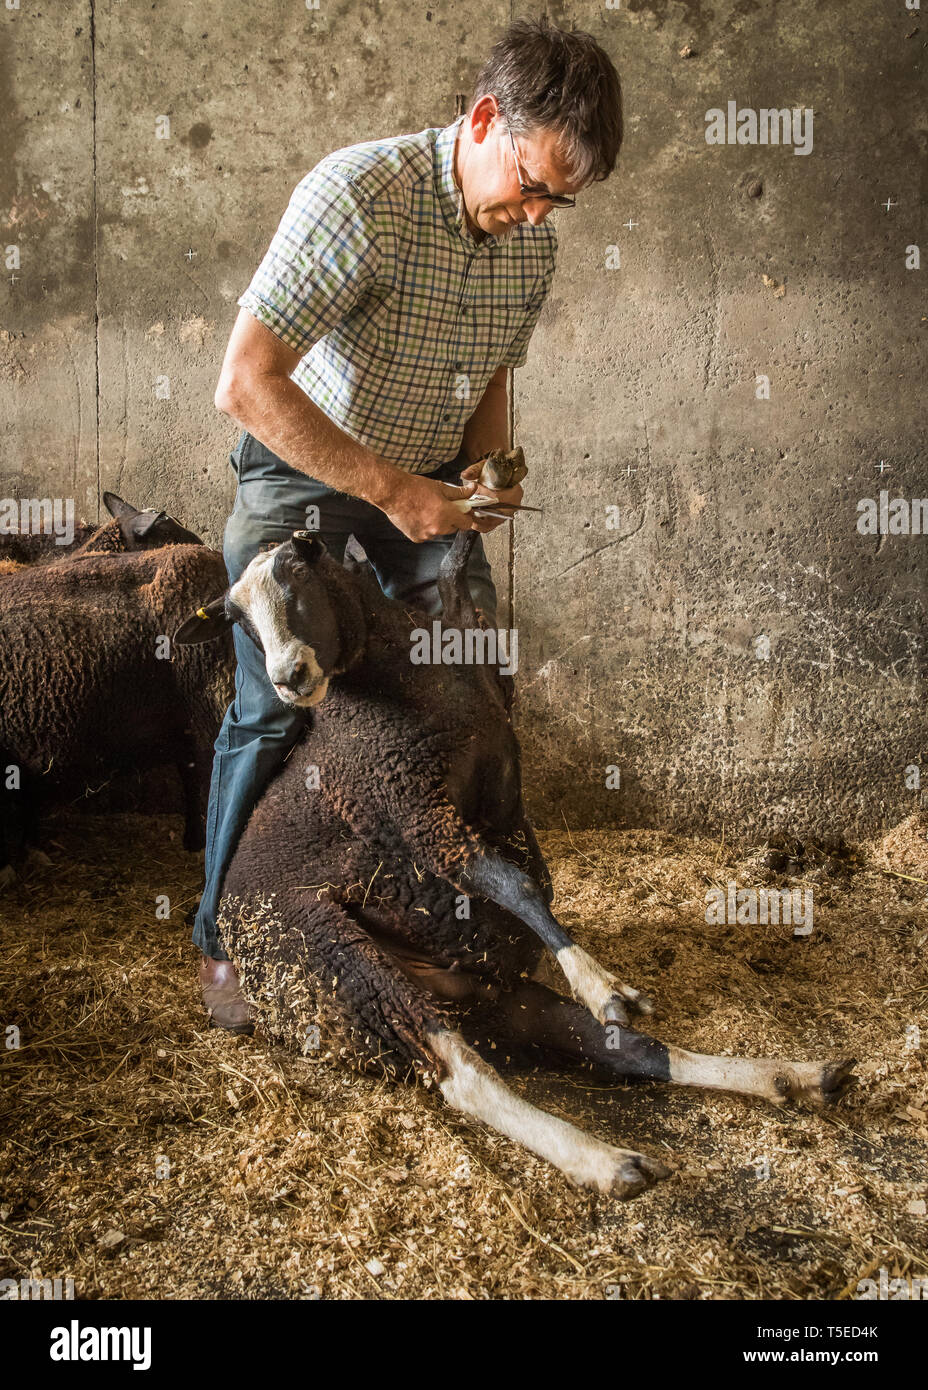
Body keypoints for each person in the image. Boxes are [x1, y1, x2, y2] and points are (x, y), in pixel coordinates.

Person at [195, 16, 624, 1029]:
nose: (541, 214)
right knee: (275, 704)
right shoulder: (358, 196)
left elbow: (488, 378)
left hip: (425, 486)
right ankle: (221, 940)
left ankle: (462, 923)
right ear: (484, 120)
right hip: (306, 479)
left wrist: (491, 469)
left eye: (563, 199)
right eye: (534, 185)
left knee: (470, 680)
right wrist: (393, 491)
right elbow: (243, 385)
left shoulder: (529, 249)